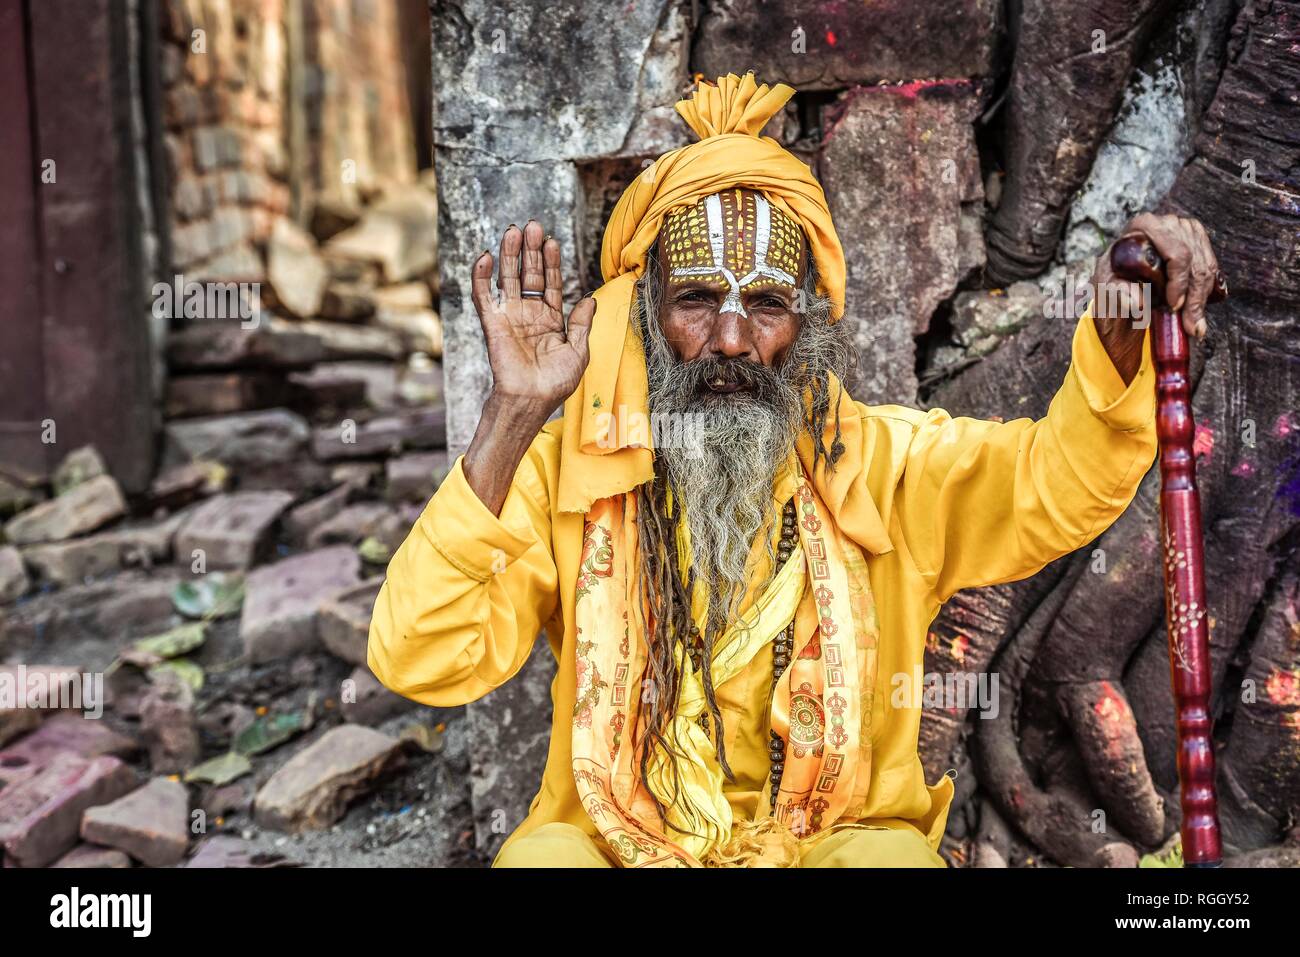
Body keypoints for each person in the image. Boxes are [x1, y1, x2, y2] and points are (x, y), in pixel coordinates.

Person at [368, 73, 1222, 868]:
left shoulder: (882, 464)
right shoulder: (573, 474)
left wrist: (1116, 330)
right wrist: (512, 413)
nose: (732, 341)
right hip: (618, 846)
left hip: (830, 845)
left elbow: (1056, 483)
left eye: (767, 305)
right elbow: (422, 658)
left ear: (806, 324)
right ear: (642, 312)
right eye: (698, 299)